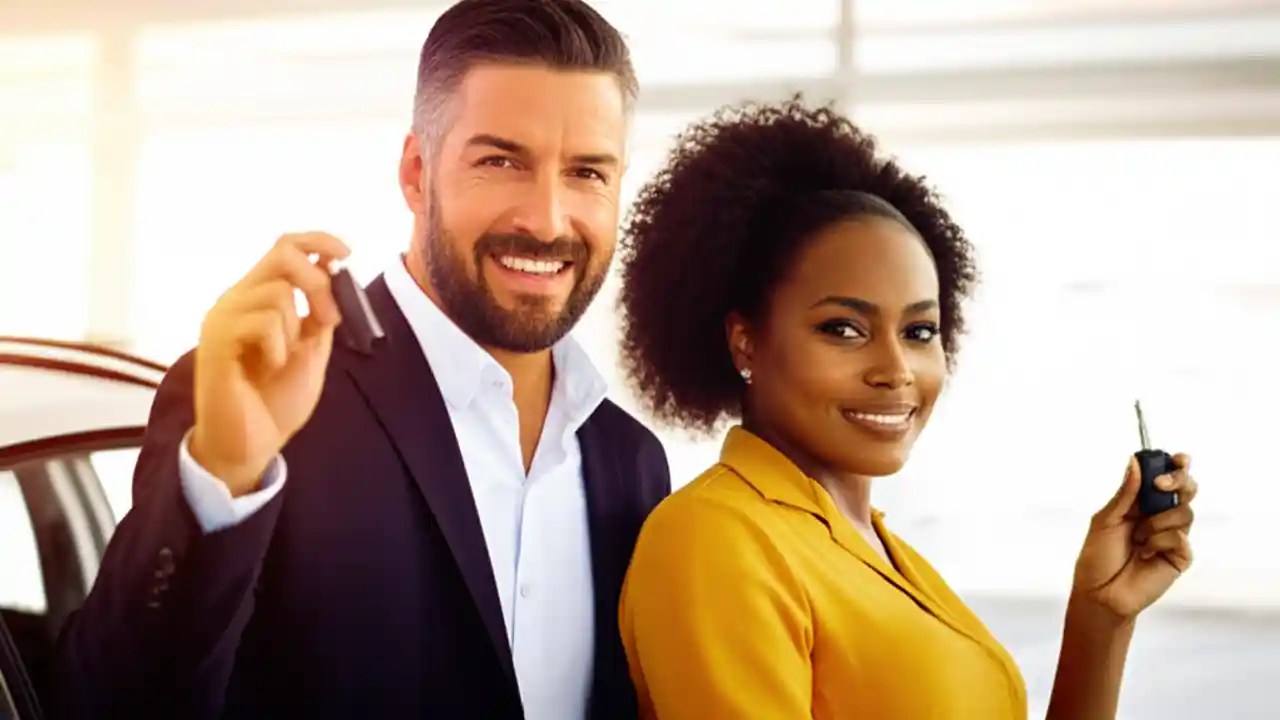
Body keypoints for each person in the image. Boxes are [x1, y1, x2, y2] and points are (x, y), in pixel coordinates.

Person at [52, 1, 670, 718]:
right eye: (500, 161)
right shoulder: (266, 408)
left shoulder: (633, 463)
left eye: (587, 173)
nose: (547, 219)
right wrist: (225, 473)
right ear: (416, 172)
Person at [614, 96, 1199, 720]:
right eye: (843, 329)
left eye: (919, 331)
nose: (895, 370)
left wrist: (1100, 617)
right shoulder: (716, 540)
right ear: (745, 339)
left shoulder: (883, 553)